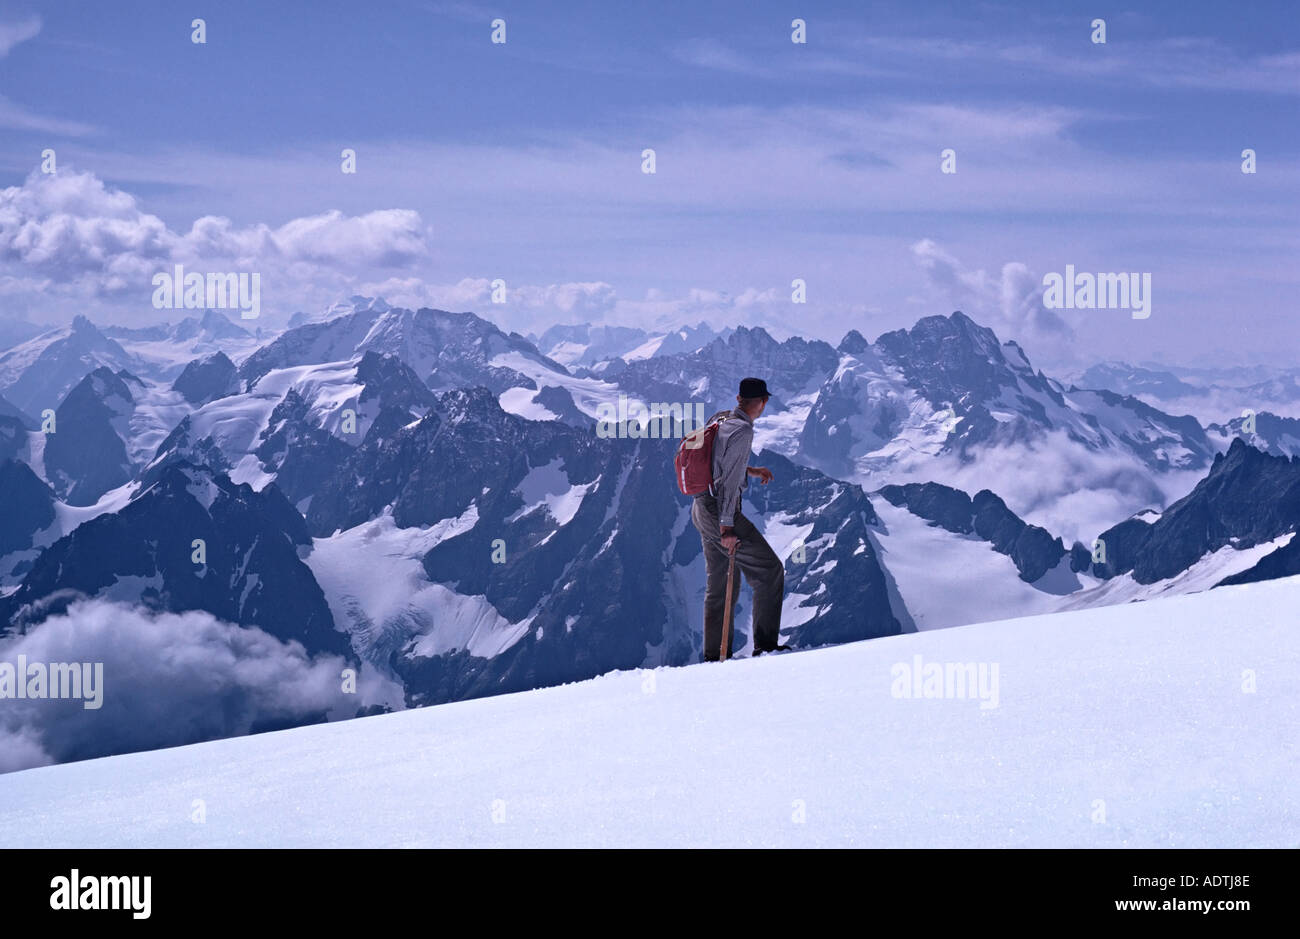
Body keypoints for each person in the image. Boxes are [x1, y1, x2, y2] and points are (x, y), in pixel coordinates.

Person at [691, 377, 789, 660]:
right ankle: (766, 648)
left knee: (720, 585)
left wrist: (753, 470)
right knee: (769, 571)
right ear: (763, 402)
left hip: (700, 507)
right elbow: (729, 482)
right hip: (720, 512)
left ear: (738, 399)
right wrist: (727, 527)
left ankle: (714, 657)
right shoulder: (744, 431)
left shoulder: (721, 418)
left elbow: (718, 462)